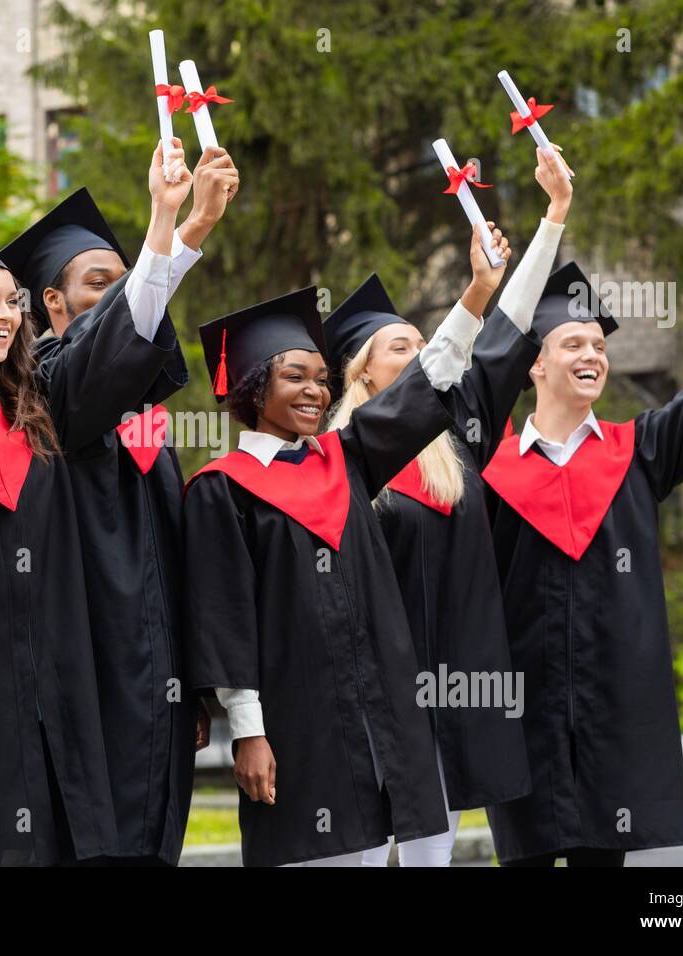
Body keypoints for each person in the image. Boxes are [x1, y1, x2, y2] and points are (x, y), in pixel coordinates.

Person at [182, 219, 512, 867]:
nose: (314, 391)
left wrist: (477, 293)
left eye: (319, 378)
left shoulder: (349, 459)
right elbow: (224, 619)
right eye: (293, 378)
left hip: (383, 717)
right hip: (296, 724)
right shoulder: (221, 489)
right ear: (252, 389)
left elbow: (427, 385)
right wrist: (248, 734)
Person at [0, 137, 194, 866]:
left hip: (57, 691)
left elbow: (110, 352)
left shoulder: (38, 421)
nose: (6, 316)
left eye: (12, 301)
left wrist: (173, 223)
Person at [481, 214, 683, 867]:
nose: (592, 355)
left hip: (613, 717)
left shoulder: (639, 451)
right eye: (573, 344)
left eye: (599, 345)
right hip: (520, 723)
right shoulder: (491, 475)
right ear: (533, 363)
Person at [324, 147, 573, 865]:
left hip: (455, 682)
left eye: (420, 342)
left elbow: (507, 333)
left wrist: (552, 218)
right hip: (377, 686)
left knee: (434, 851)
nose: (423, 351)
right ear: (363, 370)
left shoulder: (459, 429)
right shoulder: (344, 455)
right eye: (401, 345)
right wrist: (469, 295)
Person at [0, 141, 237, 865]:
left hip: (155, 689)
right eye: (101, 281)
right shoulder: (41, 392)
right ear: (51, 301)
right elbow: (105, 351)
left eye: (124, 280)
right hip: (86, 676)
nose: (123, 291)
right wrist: (182, 230)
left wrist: (192, 686)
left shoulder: (149, 428)